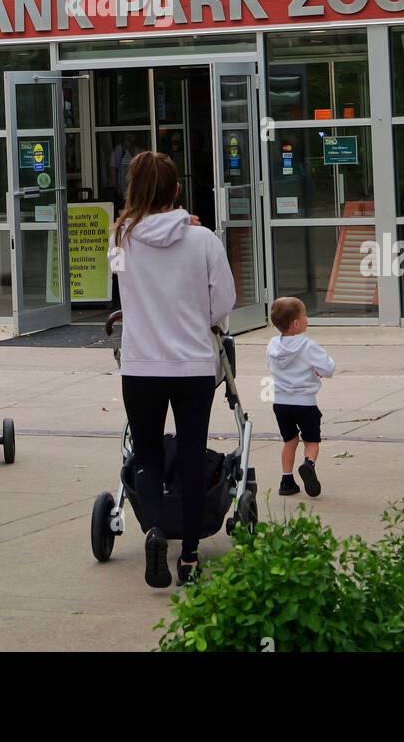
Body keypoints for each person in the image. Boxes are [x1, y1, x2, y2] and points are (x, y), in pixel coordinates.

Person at [110, 150, 235, 588]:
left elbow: (123, 288)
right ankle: (191, 557)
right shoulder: (203, 241)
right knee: (190, 452)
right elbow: (224, 302)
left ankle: (155, 532)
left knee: (145, 454)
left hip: (141, 364)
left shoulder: (120, 239)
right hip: (192, 365)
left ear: (134, 189)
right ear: (177, 190)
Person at [266, 296, 336, 498]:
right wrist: (318, 370)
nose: (307, 318)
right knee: (311, 440)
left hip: (280, 403)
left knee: (289, 440)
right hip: (305, 402)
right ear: (296, 323)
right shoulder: (307, 345)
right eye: (305, 315)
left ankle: (286, 480)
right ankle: (309, 464)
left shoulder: (272, 345)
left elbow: (270, 366)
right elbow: (328, 368)